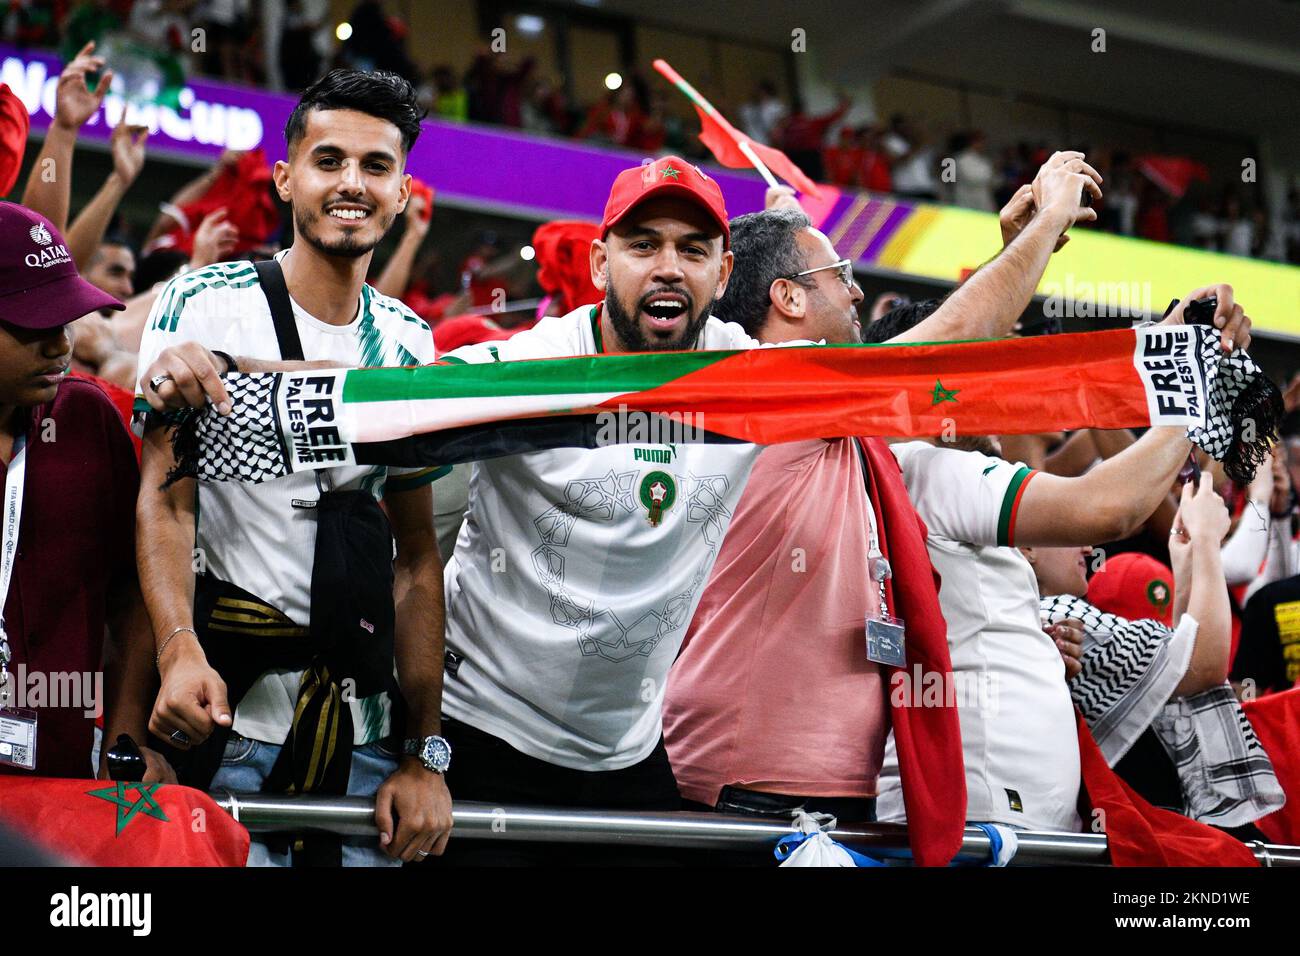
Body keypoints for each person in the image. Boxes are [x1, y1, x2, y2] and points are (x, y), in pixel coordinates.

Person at [663, 157, 1104, 860]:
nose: (857, 288)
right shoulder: (781, 391)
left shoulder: (826, 415)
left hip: (820, 789)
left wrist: (1019, 251)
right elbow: (945, 345)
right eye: (839, 274)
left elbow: (948, 364)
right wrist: (1047, 224)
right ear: (789, 298)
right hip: (752, 793)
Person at [133, 70, 452, 866]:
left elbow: (416, 558)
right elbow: (165, 504)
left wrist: (424, 753)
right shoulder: (202, 304)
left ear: (402, 192)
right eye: (329, 160)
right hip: (226, 722)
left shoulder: (411, 344)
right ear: (286, 178)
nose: (352, 183)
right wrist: (177, 651)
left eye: (376, 166)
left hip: (367, 746)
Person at [874, 287, 1254, 833]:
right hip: (981, 825)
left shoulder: (915, 472)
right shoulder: (931, 467)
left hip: (1001, 819)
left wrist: (1168, 346)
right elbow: (1108, 509)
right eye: (981, 369)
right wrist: (1188, 384)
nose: (1000, 391)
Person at [0, 201, 169, 783]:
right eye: (34, 324)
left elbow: (133, 592)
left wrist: (121, 738)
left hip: (62, 772)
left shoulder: (86, 418)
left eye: (67, 320)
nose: (60, 344)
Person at [1033, 477, 1285, 835]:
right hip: (1141, 842)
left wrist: (1188, 572)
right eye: (1072, 532)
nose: (1089, 548)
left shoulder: (1051, 615)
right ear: (1027, 547)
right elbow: (1201, 667)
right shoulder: (1057, 612)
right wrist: (1207, 542)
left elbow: (1176, 671)